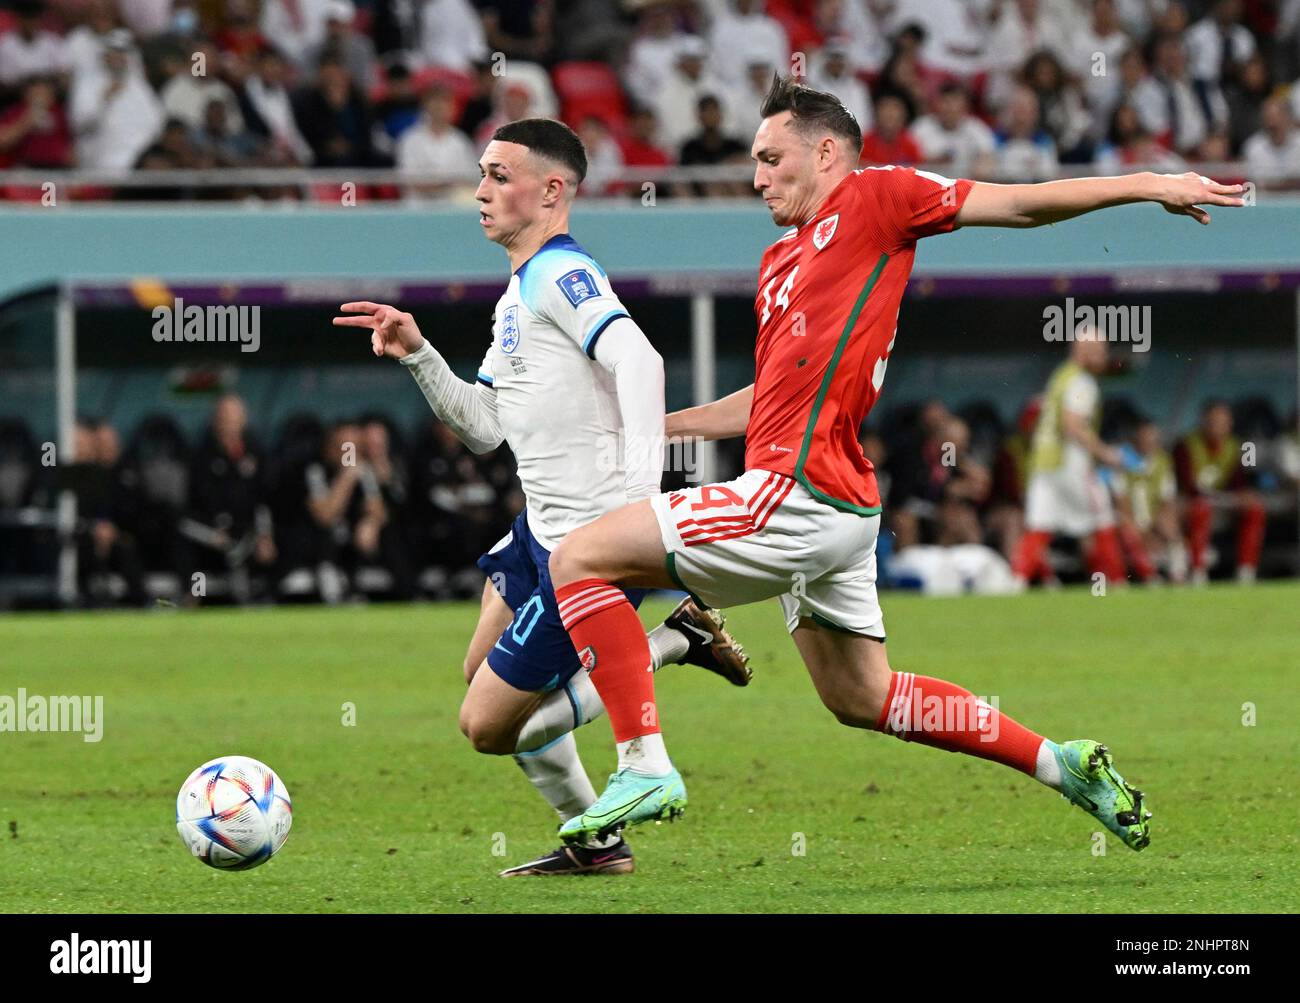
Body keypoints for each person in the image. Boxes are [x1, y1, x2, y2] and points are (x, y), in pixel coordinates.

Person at [542, 74, 1243, 852]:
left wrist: (1149, 183)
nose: (757, 178)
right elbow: (767, 396)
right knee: (862, 696)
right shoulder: (778, 262)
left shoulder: (878, 198)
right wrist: (652, 425)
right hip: (838, 506)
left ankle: (642, 761)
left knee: (579, 557)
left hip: (794, 492)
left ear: (826, 152)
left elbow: (1020, 203)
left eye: (771, 159)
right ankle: (1061, 762)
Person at [333, 118, 751, 877]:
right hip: (539, 531)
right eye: (481, 174)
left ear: (552, 190)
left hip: (587, 549)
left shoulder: (562, 274)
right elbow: (484, 428)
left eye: (499, 176)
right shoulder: (518, 293)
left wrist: (639, 502)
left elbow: (641, 360)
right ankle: (597, 846)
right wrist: (420, 353)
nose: (480, 191)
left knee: (488, 726)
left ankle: (674, 642)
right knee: (481, 674)